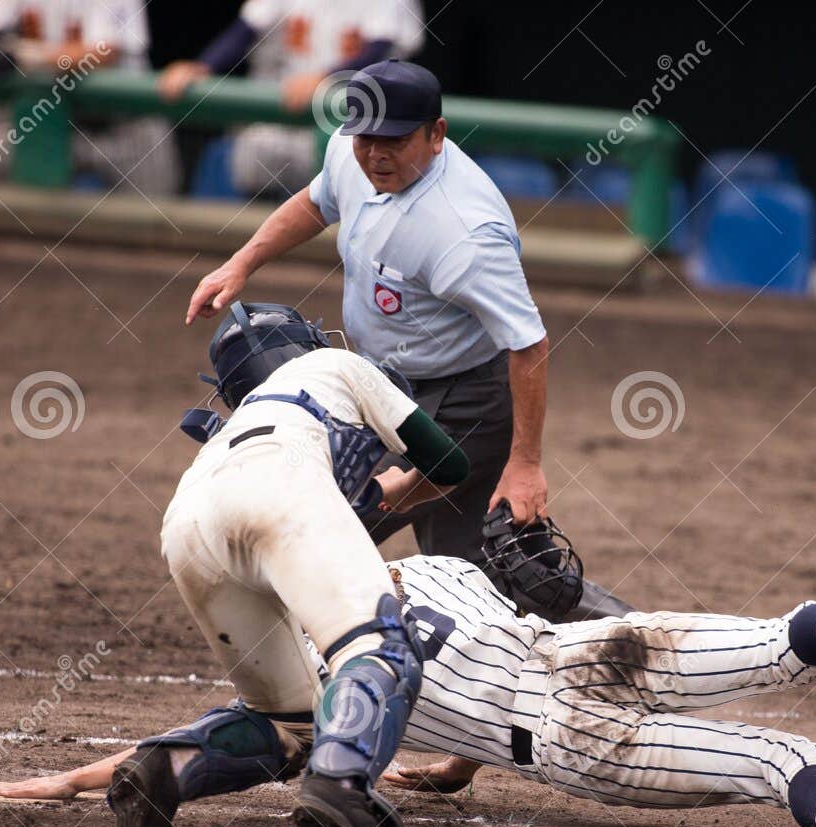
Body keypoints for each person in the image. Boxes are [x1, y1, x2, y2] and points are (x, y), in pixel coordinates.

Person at [0, 554, 816, 827]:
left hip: (564, 738)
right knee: (763, 641)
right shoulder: (433, 562)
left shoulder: (323, 667)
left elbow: (267, 738)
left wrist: (82, 775)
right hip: (583, 645)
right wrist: (452, 766)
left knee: (781, 755)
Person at [184, 60, 632, 621]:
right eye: (365, 138)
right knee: (320, 520)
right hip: (385, 389)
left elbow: (529, 343)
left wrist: (525, 463)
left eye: (394, 140)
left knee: (479, 571)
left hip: (466, 401)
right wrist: (241, 263)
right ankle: (316, 661)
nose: (375, 154)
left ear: (436, 134)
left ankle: (633, 643)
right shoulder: (356, 160)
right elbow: (315, 202)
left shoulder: (464, 234)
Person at [107, 299, 470, 827]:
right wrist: (394, 492)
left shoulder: (237, 421)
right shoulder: (335, 366)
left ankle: (162, 770)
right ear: (299, 344)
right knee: (382, 650)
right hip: (282, 488)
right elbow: (449, 462)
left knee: (291, 722)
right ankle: (342, 784)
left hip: (187, 521)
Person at [157, 0, 424, 197]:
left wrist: (325, 77)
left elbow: (381, 49)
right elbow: (245, 31)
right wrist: (203, 66)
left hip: (352, 131)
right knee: (252, 167)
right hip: (280, 122)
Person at [0, 0, 180, 196]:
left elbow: (103, 51)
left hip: (124, 129)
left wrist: (22, 53)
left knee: (151, 219)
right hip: (53, 125)